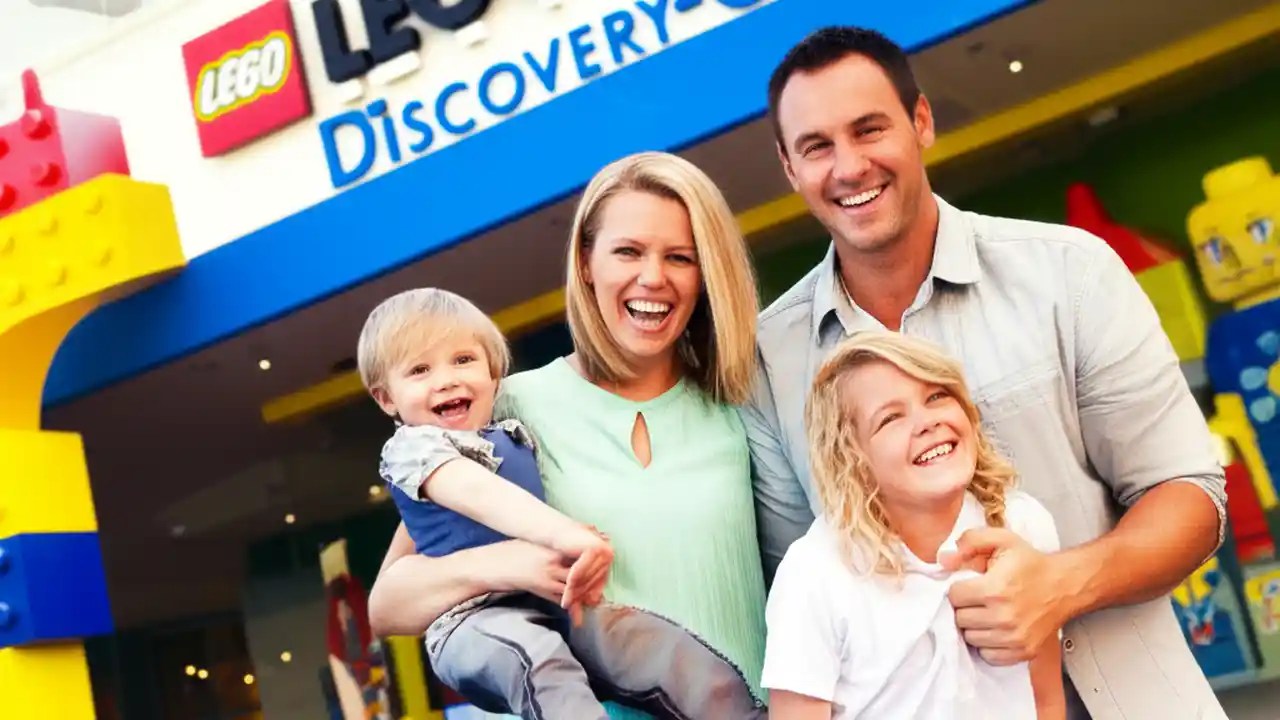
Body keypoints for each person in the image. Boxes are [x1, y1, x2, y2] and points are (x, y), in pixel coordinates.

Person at [743, 25, 1228, 719]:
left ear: (922, 123)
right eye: (817, 146)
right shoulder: (768, 362)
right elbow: (803, 587)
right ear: (790, 169)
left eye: (869, 129)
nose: (848, 167)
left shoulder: (1068, 272)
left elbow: (1190, 493)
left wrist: (1059, 586)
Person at [365, 151, 769, 719]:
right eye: (627, 251)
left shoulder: (742, 396)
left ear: (706, 274)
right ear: (585, 262)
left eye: (680, 257)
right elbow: (389, 604)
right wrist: (510, 563)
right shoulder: (507, 409)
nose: (652, 277)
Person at [761, 331, 1065, 719]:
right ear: (853, 459)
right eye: (890, 418)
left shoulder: (1021, 525)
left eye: (937, 396)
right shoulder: (814, 573)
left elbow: (1046, 700)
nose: (927, 422)